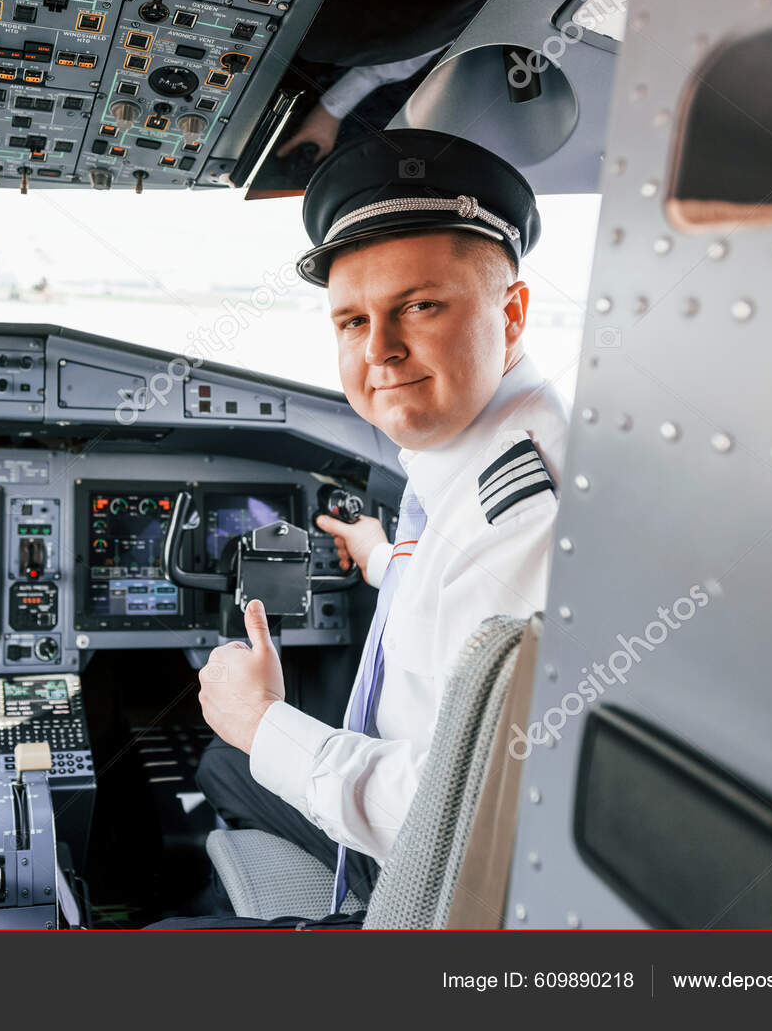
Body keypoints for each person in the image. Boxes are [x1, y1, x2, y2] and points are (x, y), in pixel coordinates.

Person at [182, 128, 569, 926]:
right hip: (426, 821)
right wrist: (387, 559)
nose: (382, 351)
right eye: (352, 321)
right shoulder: (482, 456)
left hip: (436, 883)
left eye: (420, 306)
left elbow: (455, 823)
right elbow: (460, 600)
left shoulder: (529, 514)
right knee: (225, 764)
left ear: (515, 311)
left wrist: (266, 723)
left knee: (236, 753)